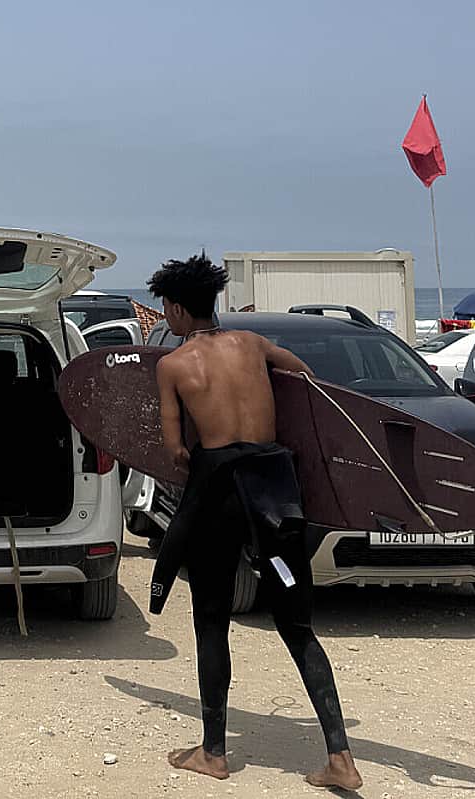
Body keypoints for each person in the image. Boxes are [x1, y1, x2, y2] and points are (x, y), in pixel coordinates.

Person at [148, 254, 362, 791]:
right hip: (275, 493)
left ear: (175, 308)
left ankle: (214, 752)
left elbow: (175, 451)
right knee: (297, 625)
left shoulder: (173, 365)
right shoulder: (253, 345)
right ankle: (340, 758)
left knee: (212, 618)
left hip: (219, 497)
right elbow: (305, 380)